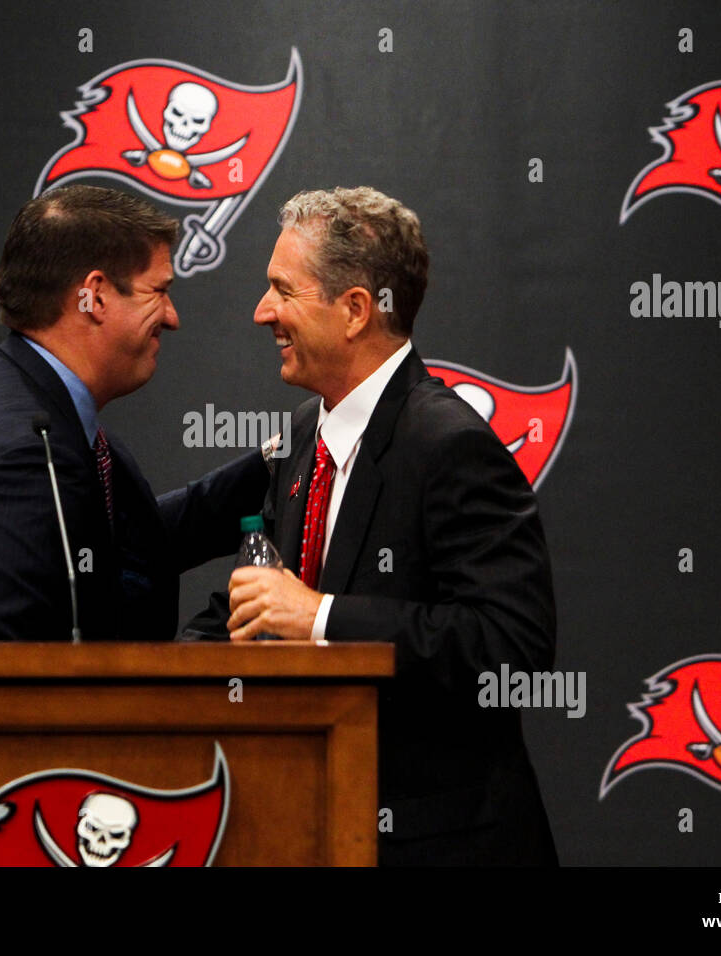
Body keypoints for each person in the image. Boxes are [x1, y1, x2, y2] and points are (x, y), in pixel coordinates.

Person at [196, 186, 559, 865]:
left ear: (356, 310)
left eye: (282, 290)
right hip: (323, 824)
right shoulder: (308, 432)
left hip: (440, 847)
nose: (261, 312)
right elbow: (261, 603)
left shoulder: (449, 445)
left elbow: (513, 648)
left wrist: (325, 619)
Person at [0, 184, 268, 643]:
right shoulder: (19, 449)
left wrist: (283, 458)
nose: (172, 316)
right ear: (95, 296)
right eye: (158, 292)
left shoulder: (16, 398)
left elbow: (124, 542)